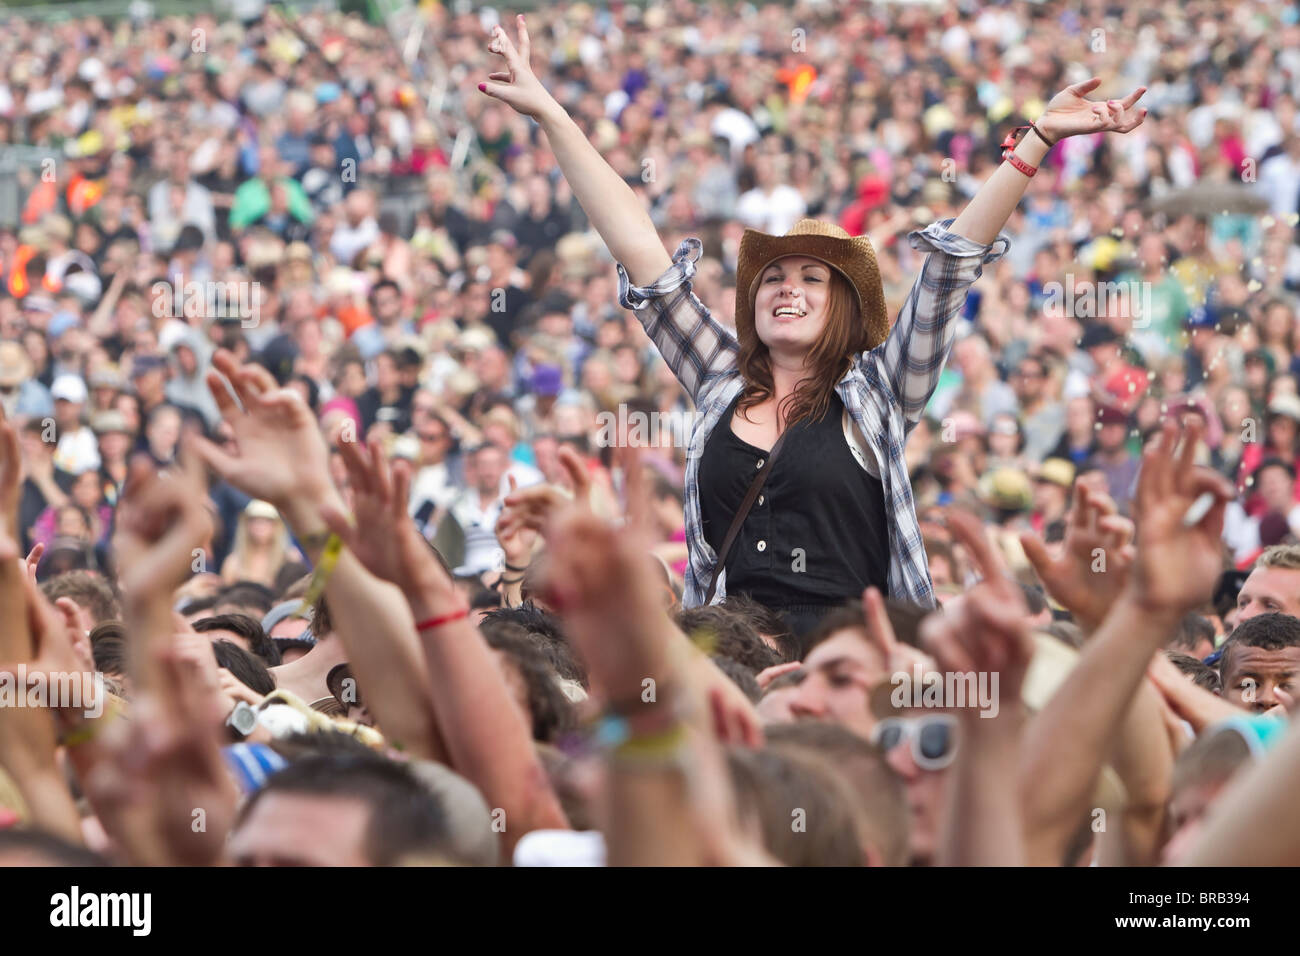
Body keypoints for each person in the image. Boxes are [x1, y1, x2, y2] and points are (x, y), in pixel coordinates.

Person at [476, 15, 1147, 635]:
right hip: (733, 658)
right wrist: (550, 114)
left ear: (844, 309)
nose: (785, 288)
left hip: (854, 664)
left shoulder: (881, 388)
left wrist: (1037, 140)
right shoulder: (719, 378)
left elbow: (949, 270)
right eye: (772, 277)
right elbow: (638, 248)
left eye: (810, 278)